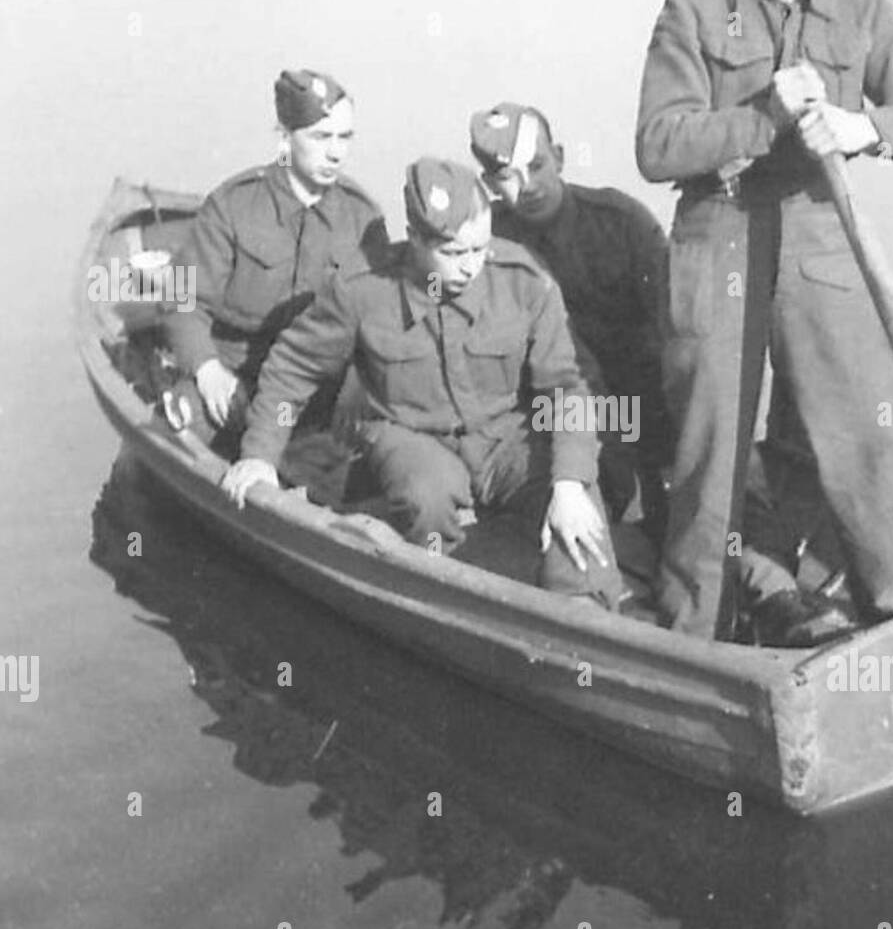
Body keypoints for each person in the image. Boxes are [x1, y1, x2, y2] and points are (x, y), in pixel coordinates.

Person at [635, 0, 893, 644]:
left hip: (824, 236)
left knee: (864, 440)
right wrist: (762, 116)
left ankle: (892, 611)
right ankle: (697, 637)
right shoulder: (694, 7)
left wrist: (863, 127)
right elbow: (658, 146)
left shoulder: (861, 8)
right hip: (720, 232)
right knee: (712, 447)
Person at [221, 158, 623, 607]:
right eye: (453, 254)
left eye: (480, 249)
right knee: (427, 497)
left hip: (501, 436)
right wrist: (259, 456)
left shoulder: (523, 280)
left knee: (573, 485)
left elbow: (565, 387)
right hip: (408, 432)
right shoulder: (362, 288)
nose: (471, 267)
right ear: (414, 238)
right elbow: (295, 368)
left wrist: (568, 484)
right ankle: (449, 599)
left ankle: (586, 614)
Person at [469, 101, 672, 538]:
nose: (529, 185)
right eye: (508, 177)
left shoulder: (621, 223)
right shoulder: (482, 243)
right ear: (488, 183)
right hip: (549, 408)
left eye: (537, 165)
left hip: (641, 404)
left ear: (559, 157)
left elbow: (677, 324)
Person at [162, 68, 388, 454]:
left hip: (316, 390)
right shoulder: (233, 206)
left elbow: (380, 319)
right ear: (284, 138)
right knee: (188, 426)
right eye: (321, 137)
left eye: (345, 137)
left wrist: (360, 379)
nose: (336, 152)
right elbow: (181, 302)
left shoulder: (362, 217)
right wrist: (206, 368)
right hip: (235, 380)